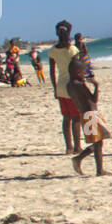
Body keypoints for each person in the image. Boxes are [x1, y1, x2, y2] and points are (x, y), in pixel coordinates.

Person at [67, 55, 111, 176]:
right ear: (77, 72)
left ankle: (81, 160)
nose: (84, 74)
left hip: (84, 114)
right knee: (98, 143)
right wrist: (96, 86)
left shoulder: (70, 85)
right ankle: (94, 167)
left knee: (99, 142)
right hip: (91, 114)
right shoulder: (79, 85)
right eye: (83, 72)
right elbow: (94, 100)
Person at [48, 20, 82, 155]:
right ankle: (77, 146)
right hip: (72, 86)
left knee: (66, 118)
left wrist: (54, 88)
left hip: (60, 86)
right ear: (69, 32)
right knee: (76, 118)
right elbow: (78, 70)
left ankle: (68, 147)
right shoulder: (73, 50)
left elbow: (52, 72)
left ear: (57, 32)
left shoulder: (52, 51)